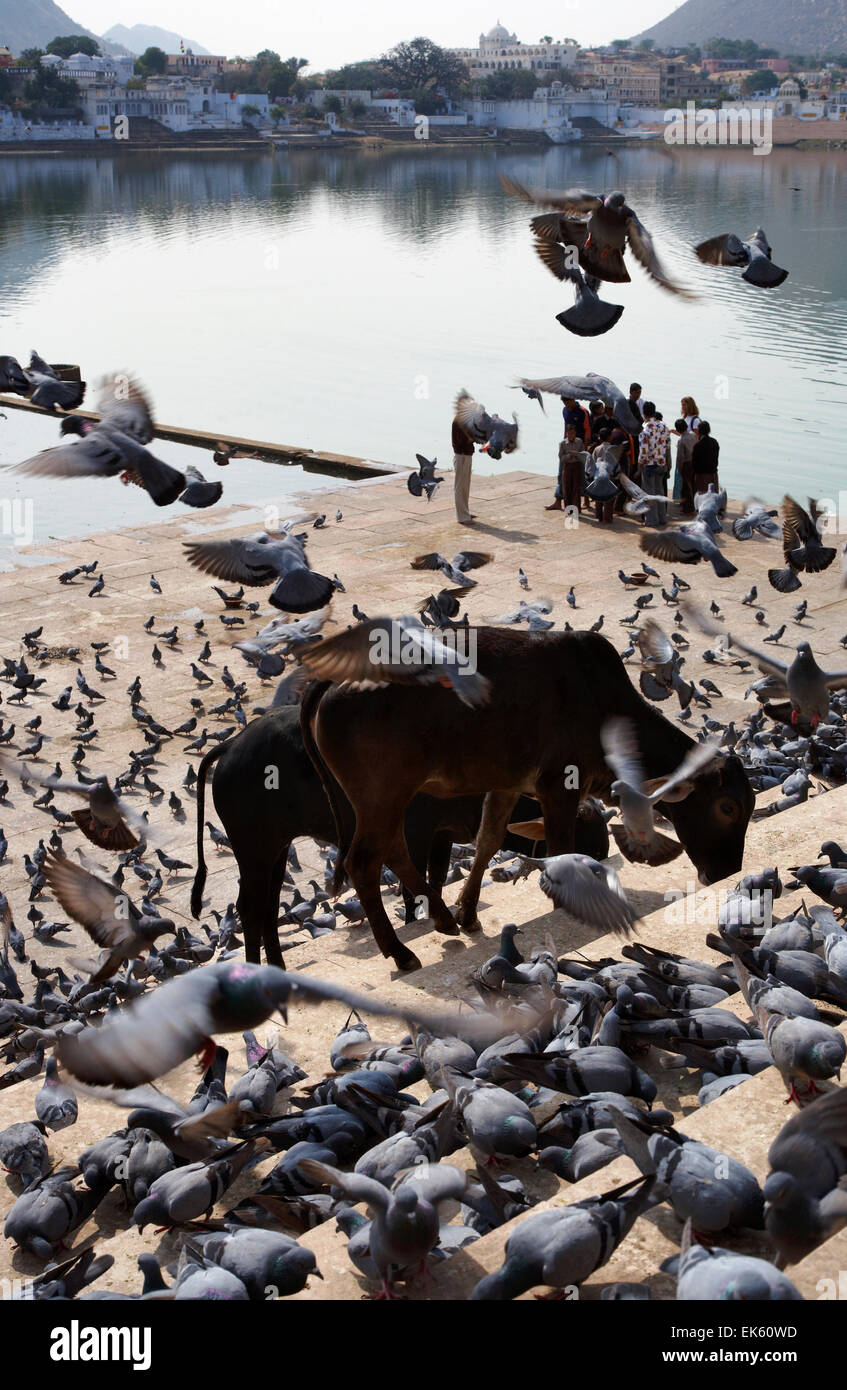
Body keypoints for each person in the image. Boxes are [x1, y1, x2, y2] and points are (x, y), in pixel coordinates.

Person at [636, 402, 670, 526]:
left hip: (649, 464)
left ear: (643, 413)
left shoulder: (644, 429)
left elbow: (644, 450)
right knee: (659, 491)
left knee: (649, 494)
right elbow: (667, 444)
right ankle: (662, 519)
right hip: (661, 462)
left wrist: (640, 464)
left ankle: (651, 520)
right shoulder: (663, 426)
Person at [586, 428, 623, 525]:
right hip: (609, 476)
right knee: (609, 498)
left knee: (599, 497)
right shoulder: (613, 449)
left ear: (600, 438)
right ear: (610, 437)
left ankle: (599, 516)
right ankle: (607, 518)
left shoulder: (597, 449)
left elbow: (593, 462)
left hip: (598, 476)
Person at [549, 424, 585, 512]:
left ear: (575, 433)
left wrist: (577, 455)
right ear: (566, 434)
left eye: (573, 433)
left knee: (576, 488)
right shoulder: (562, 444)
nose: (571, 436)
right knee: (567, 488)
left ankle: (576, 509)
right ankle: (569, 510)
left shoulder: (579, 442)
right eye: (569, 434)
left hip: (577, 466)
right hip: (567, 466)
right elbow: (561, 457)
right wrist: (569, 456)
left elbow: (583, 455)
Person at [451, 410, 475, 525]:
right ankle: (462, 517)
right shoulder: (460, 421)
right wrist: (475, 437)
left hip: (465, 456)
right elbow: (463, 441)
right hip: (462, 456)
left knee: (465, 487)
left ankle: (465, 513)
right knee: (460, 487)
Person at [673, 418, 696, 513]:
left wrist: (679, 469)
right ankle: (694, 505)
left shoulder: (681, 441)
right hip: (694, 462)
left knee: (686, 488)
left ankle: (688, 509)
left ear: (678, 430)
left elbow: (680, 458)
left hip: (686, 464)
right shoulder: (693, 435)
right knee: (693, 485)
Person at [692, 420, 720, 496]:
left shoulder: (698, 445)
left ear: (699, 431)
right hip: (713, 475)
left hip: (701, 476)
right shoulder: (714, 442)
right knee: (713, 499)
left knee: (702, 499)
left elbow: (694, 463)